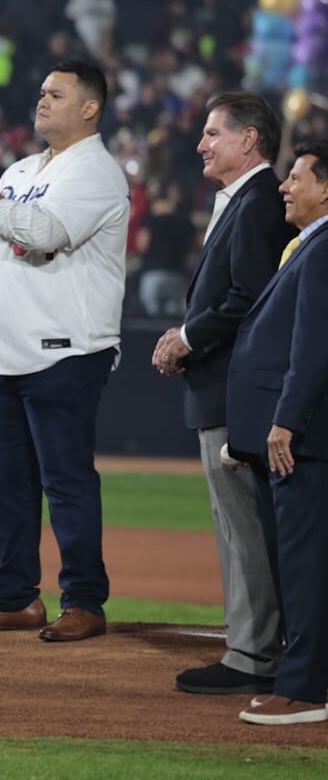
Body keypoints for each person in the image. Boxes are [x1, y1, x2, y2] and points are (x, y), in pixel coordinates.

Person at [0, 60, 129, 642]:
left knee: (67, 481)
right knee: (9, 484)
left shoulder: (98, 172)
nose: (42, 99)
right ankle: (14, 597)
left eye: (57, 93)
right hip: (4, 349)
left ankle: (85, 601)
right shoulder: (24, 169)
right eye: (42, 91)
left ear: (90, 108)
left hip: (66, 349)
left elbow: (44, 233)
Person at [152, 94, 291, 695]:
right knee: (241, 524)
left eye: (213, 133)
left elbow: (250, 298)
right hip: (226, 388)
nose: (201, 144)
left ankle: (253, 652)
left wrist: (187, 337)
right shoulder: (247, 201)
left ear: (249, 140)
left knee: (243, 528)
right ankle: (259, 644)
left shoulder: (258, 202)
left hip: (237, 394)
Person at [228, 141, 328, 726]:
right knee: (303, 561)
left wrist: (284, 422)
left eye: (297, 178)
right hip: (299, 435)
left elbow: (311, 348)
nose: (285, 187)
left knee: (304, 564)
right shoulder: (310, 244)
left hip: (304, 441)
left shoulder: (322, 248)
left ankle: (304, 689)